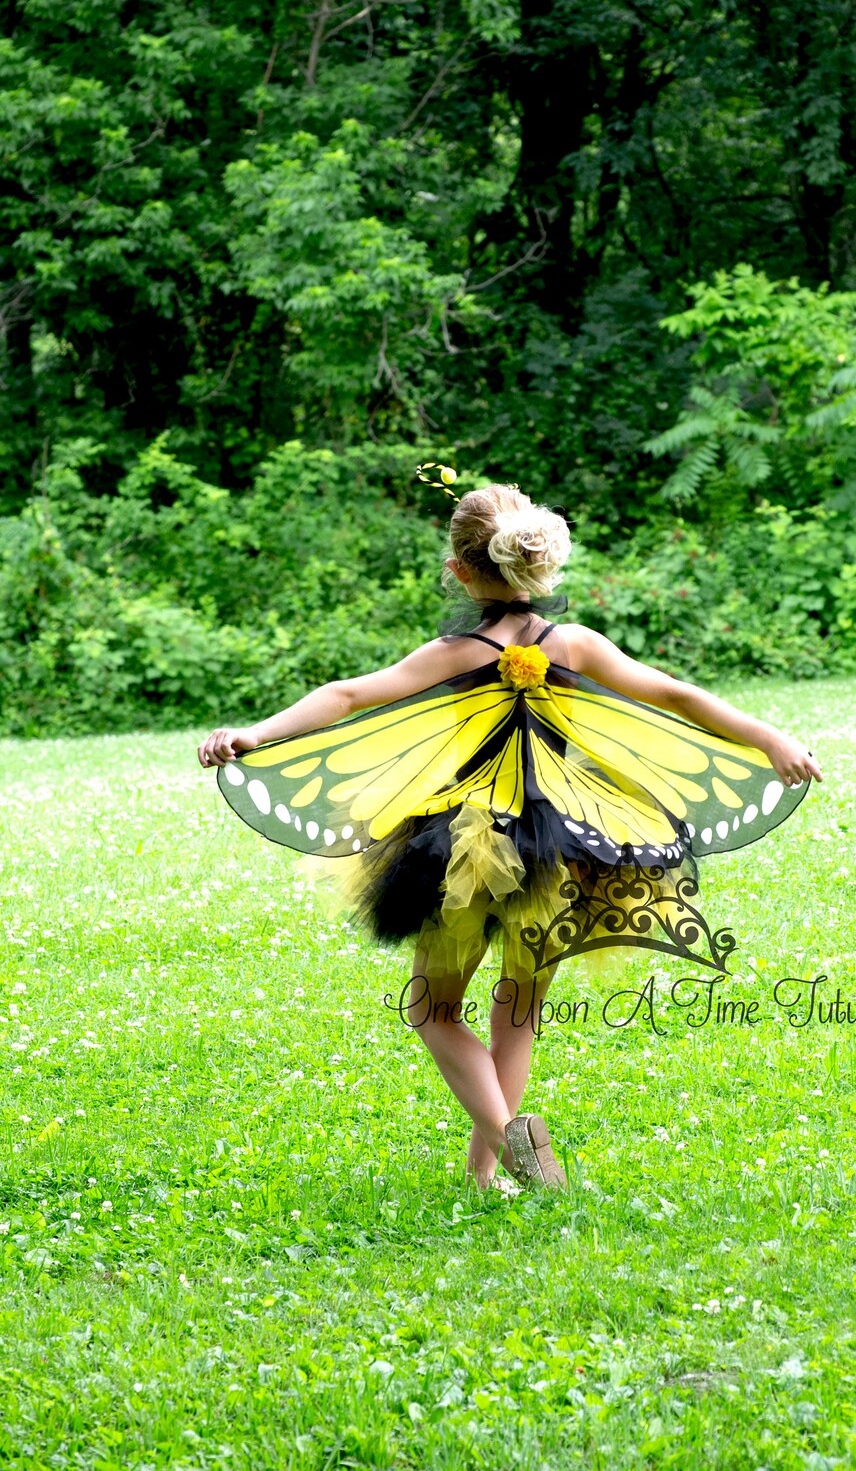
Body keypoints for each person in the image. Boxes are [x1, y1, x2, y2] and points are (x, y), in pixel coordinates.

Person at [198, 484, 823, 1192]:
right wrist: (771, 737)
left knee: (433, 1008)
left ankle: (501, 1142)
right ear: (542, 569)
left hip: (468, 847)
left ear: (460, 571)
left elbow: (346, 694)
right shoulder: (577, 644)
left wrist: (258, 732)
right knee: (518, 1009)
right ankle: (486, 1169)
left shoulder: (453, 651)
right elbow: (676, 694)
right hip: (573, 847)